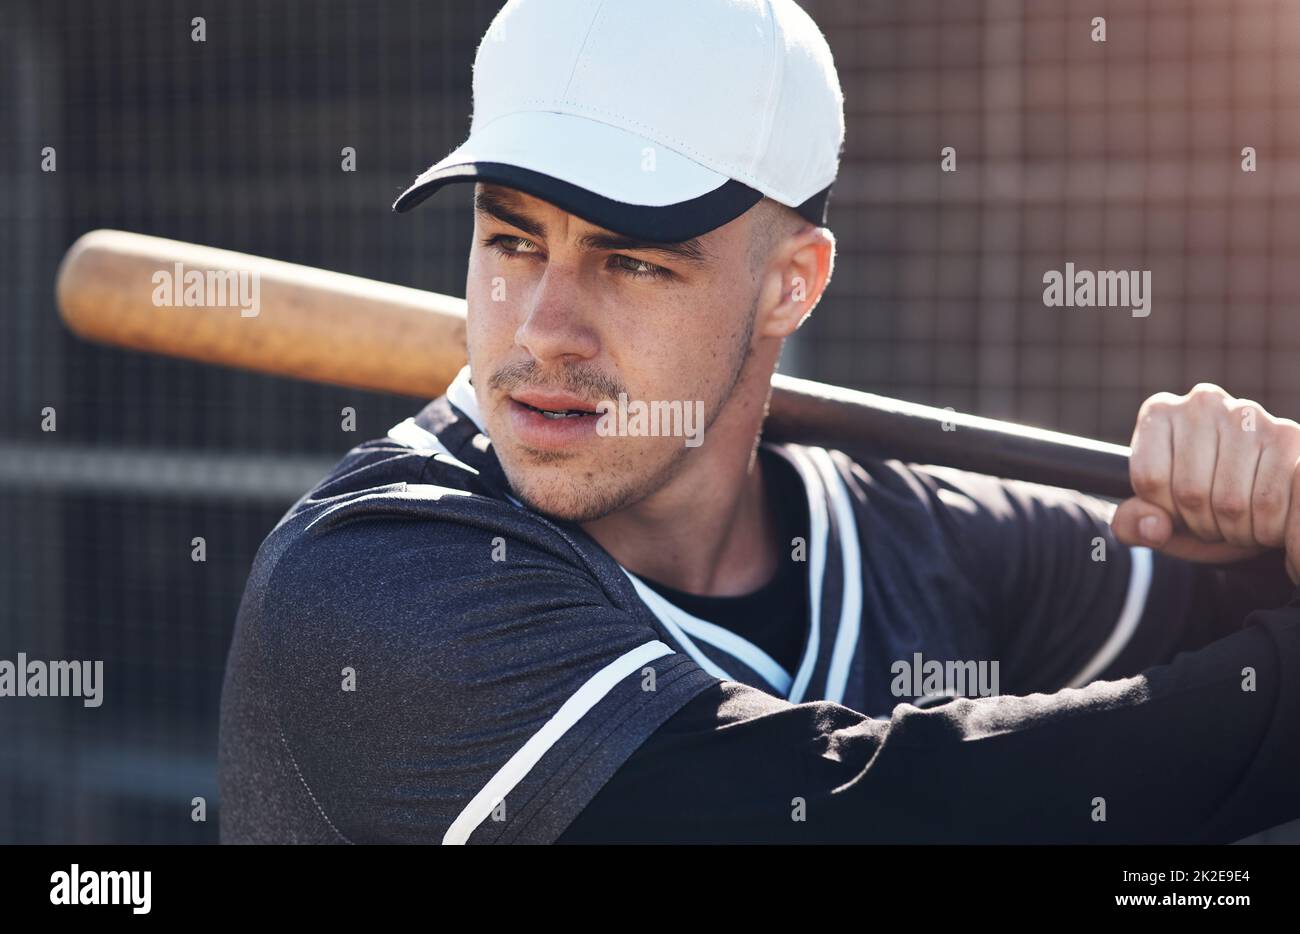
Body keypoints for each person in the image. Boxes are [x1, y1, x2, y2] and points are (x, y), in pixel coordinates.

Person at [218, 0, 1300, 844]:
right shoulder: (370, 578)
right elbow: (870, 814)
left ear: (792, 283)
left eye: (632, 259)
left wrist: (1259, 510)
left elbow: (1230, 639)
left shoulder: (910, 533)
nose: (544, 332)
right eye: (512, 241)